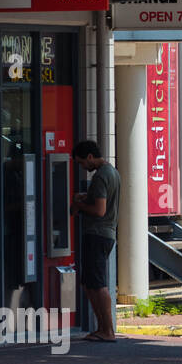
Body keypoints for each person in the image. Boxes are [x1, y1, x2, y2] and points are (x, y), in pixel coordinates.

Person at [71, 141, 120, 342]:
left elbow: (99, 210)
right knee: (89, 283)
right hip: (106, 234)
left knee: (97, 284)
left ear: (90, 156)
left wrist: (78, 205)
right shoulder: (112, 172)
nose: (82, 166)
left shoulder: (100, 176)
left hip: (97, 234)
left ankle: (107, 330)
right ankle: (102, 328)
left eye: (82, 162)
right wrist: (86, 197)